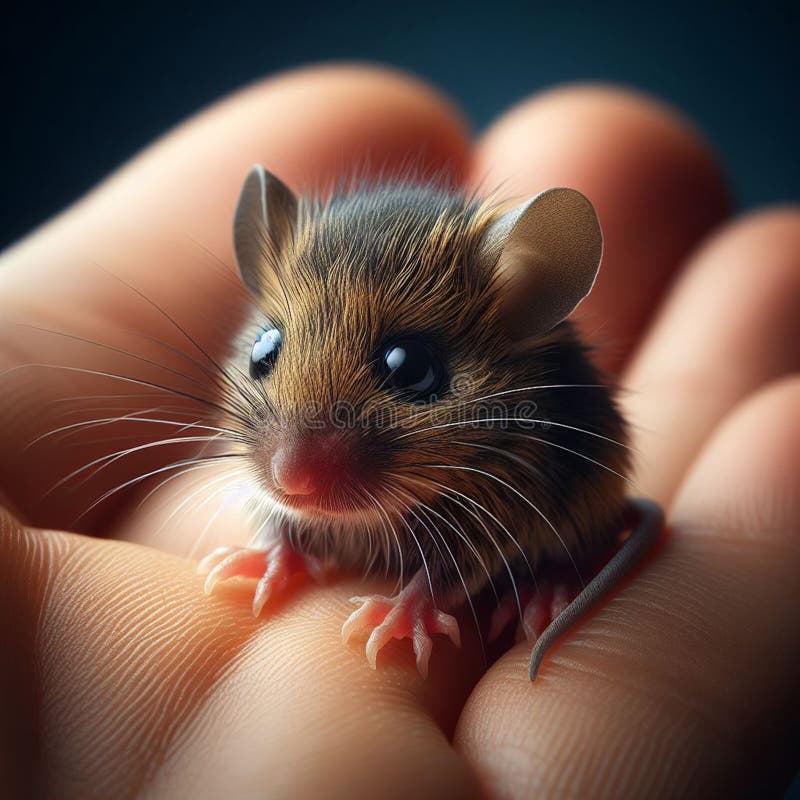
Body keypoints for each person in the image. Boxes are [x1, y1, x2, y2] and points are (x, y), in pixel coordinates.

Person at [0, 65, 798, 798]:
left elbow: (506, 522)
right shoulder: (274, 428)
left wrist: (432, 591)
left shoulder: (521, 436)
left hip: (549, 519)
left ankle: (573, 560)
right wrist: (283, 539)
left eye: (407, 367)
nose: (296, 465)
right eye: (271, 353)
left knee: (574, 491)